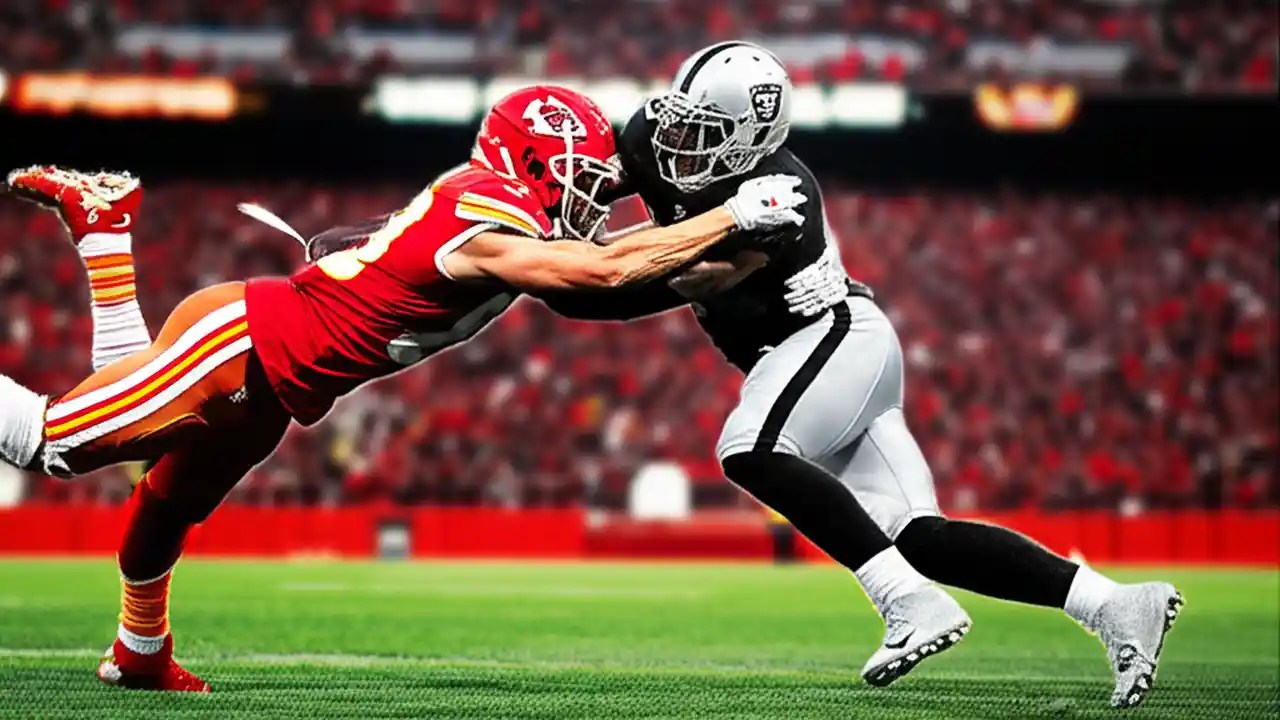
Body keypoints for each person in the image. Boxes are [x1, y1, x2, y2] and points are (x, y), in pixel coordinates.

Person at [0, 85, 809, 693]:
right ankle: (103, 231)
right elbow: (600, 270)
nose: (592, 194)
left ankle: (140, 652)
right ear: (532, 159)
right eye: (580, 174)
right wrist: (732, 216)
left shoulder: (495, 205)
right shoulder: (486, 216)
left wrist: (738, 256)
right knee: (53, 444)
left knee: (164, 501)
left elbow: (618, 268)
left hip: (270, 378)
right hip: (240, 343)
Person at [539, 42, 1183, 708]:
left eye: (707, 132)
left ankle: (905, 602)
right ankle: (1114, 605)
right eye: (680, 120)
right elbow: (594, 186)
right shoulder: (651, 133)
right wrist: (540, 240)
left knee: (750, 448)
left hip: (831, 338)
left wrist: (570, 266)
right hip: (822, 358)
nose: (678, 142)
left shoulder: (780, 195)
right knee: (921, 538)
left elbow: (674, 277)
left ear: (754, 140)